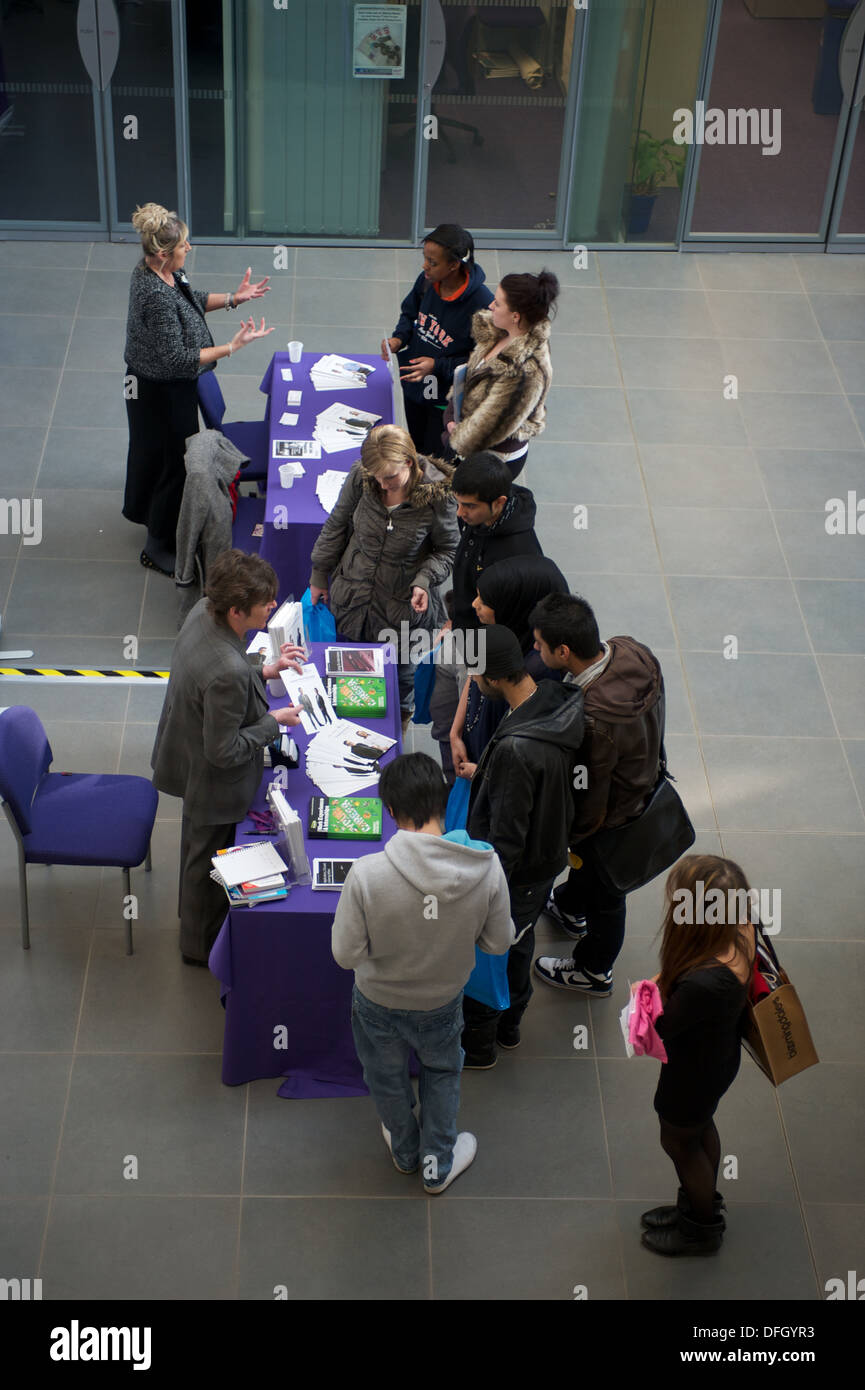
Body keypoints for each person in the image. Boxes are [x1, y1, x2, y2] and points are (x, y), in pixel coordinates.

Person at [331, 753, 514, 1193]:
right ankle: (437, 1165)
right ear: (444, 798)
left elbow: (344, 954)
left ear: (389, 810)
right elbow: (498, 942)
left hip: (377, 1003)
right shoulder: (486, 868)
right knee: (443, 1074)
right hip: (442, 1002)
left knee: (385, 1076)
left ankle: (406, 1152)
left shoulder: (366, 874)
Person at [151, 550, 304, 964]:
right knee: (207, 864)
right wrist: (274, 721)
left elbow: (226, 659)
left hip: (182, 752)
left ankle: (194, 923)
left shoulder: (204, 611)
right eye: (265, 603)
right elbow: (224, 751)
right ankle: (199, 950)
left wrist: (265, 669)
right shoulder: (227, 675)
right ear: (238, 611)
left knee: (195, 850)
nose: (273, 607)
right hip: (211, 780)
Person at [124, 202, 273, 577]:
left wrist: (234, 298)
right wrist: (232, 347)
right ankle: (156, 545)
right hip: (159, 390)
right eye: (182, 246)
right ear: (162, 254)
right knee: (174, 462)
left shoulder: (165, 274)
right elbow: (178, 359)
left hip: (170, 384)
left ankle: (162, 515)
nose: (188, 249)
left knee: (167, 457)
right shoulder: (155, 296)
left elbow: (192, 299)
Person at [460, 626, 585, 1067]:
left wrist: (483, 891)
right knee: (520, 940)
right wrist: (486, 774)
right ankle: (511, 1026)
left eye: (474, 676)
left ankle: (478, 1044)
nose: (472, 684)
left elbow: (506, 840)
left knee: (490, 953)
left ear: (494, 678)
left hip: (516, 874)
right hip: (547, 859)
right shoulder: (553, 698)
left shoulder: (515, 748)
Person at [530, 593, 665, 998]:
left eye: (539, 644)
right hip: (645, 777)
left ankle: (594, 969)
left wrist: (572, 837)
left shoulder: (594, 719)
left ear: (564, 650)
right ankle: (570, 908)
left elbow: (590, 797)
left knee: (607, 894)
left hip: (614, 817)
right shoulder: (631, 650)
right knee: (588, 873)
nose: (535, 650)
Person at [641, 854, 756, 1256]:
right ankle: (698, 1199)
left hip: (691, 1074)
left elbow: (662, 1027)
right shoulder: (741, 932)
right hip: (717, 1060)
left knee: (678, 1141)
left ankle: (701, 1227)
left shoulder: (704, 984)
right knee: (699, 1128)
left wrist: (648, 995)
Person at [308, 424, 458, 725]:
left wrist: (424, 580)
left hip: (401, 611)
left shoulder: (439, 496)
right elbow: (337, 523)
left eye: (390, 477)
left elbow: (448, 550)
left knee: (398, 690)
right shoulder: (362, 477)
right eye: (376, 477)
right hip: (352, 598)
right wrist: (319, 574)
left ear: (409, 462)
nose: (383, 485)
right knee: (346, 678)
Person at [450, 555, 569, 781]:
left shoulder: (537, 670)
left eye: (484, 602)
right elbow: (475, 672)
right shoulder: (494, 627)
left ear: (513, 605)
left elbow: (523, 765)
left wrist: (483, 775)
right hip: (473, 753)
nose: (474, 605)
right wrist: (455, 733)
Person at [381, 225, 493, 456]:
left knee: (438, 456)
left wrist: (437, 365)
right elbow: (409, 314)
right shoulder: (426, 282)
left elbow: (482, 362)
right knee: (416, 447)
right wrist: (399, 339)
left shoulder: (482, 305)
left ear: (454, 265)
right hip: (415, 383)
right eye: (425, 258)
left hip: (445, 397)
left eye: (432, 262)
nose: (425, 266)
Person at [444, 271, 559, 479]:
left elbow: (489, 427)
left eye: (497, 304)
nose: (490, 307)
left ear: (516, 316)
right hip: (472, 443)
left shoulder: (525, 372)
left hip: (492, 461)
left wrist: (454, 433)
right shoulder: (501, 332)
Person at [449, 453, 542, 632]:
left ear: (499, 502)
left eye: (469, 505)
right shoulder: (477, 517)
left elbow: (508, 620)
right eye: (458, 503)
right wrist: (454, 618)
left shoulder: (518, 553)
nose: (460, 513)